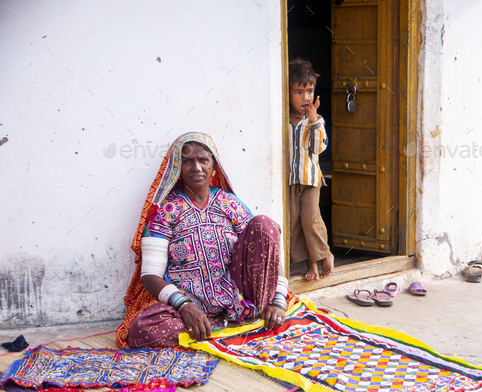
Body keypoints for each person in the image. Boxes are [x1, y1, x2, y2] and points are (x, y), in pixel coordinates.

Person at [116, 132, 294, 349]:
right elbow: (150, 275)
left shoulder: (229, 203)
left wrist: (278, 302)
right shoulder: (166, 211)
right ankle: (218, 324)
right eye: (188, 161)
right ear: (177, 168)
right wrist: (185, 307)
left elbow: (269, 254)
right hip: (188, 302)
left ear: (213, 166)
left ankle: (248, 313)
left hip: (239, 298)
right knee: (143, 330)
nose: (197, 167)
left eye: (203, 160)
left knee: (264, 224)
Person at [288, 58, 334, 281]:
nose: (305, 97)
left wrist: (314, 121)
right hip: (290, 180)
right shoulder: (283, 120)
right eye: (299, 92)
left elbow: (319, 148)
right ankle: (309, 263)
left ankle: (323, 255)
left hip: (311, 179)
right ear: (287, 93)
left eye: (309, 91)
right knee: (295, 221)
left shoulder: (316, 121)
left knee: (310, 219)